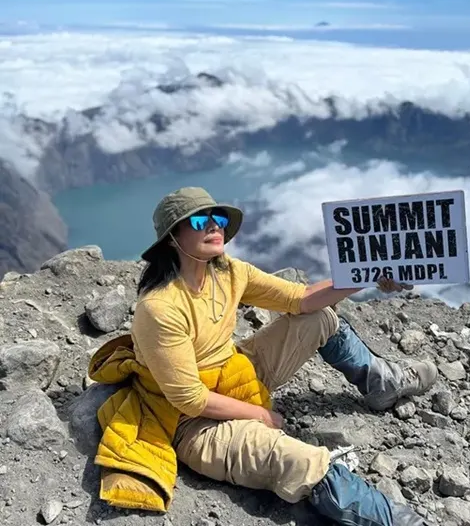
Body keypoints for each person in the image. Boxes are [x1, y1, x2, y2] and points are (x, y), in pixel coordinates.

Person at [87, 186, 437, 526]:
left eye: (218, 219)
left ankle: (381, 382)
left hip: (236, 375)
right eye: (198, 221)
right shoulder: (160, 307)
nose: (213, 226)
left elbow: (300, 299)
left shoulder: (229, 273)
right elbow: (189, 400)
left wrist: (367, 274)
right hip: (191, 424)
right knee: (301, 461)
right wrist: (261, 415)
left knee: (319, 317)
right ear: (172, 239)